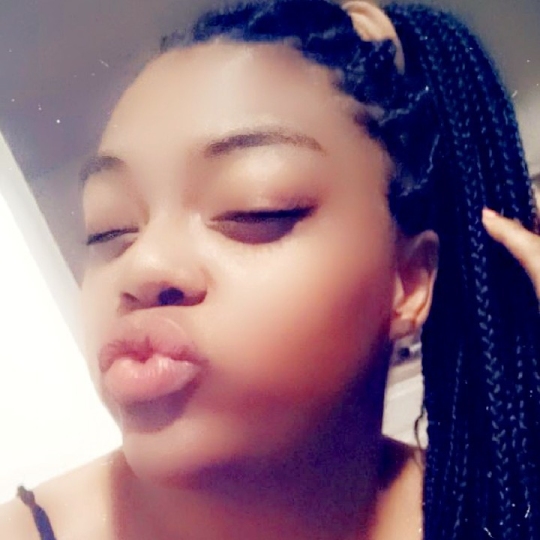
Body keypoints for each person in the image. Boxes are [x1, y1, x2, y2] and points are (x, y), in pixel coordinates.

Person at [1, 1, 539, 539]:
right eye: (109, 230)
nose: (143, 265)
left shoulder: (503, 512)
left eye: (253, 210)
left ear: (410, 280)